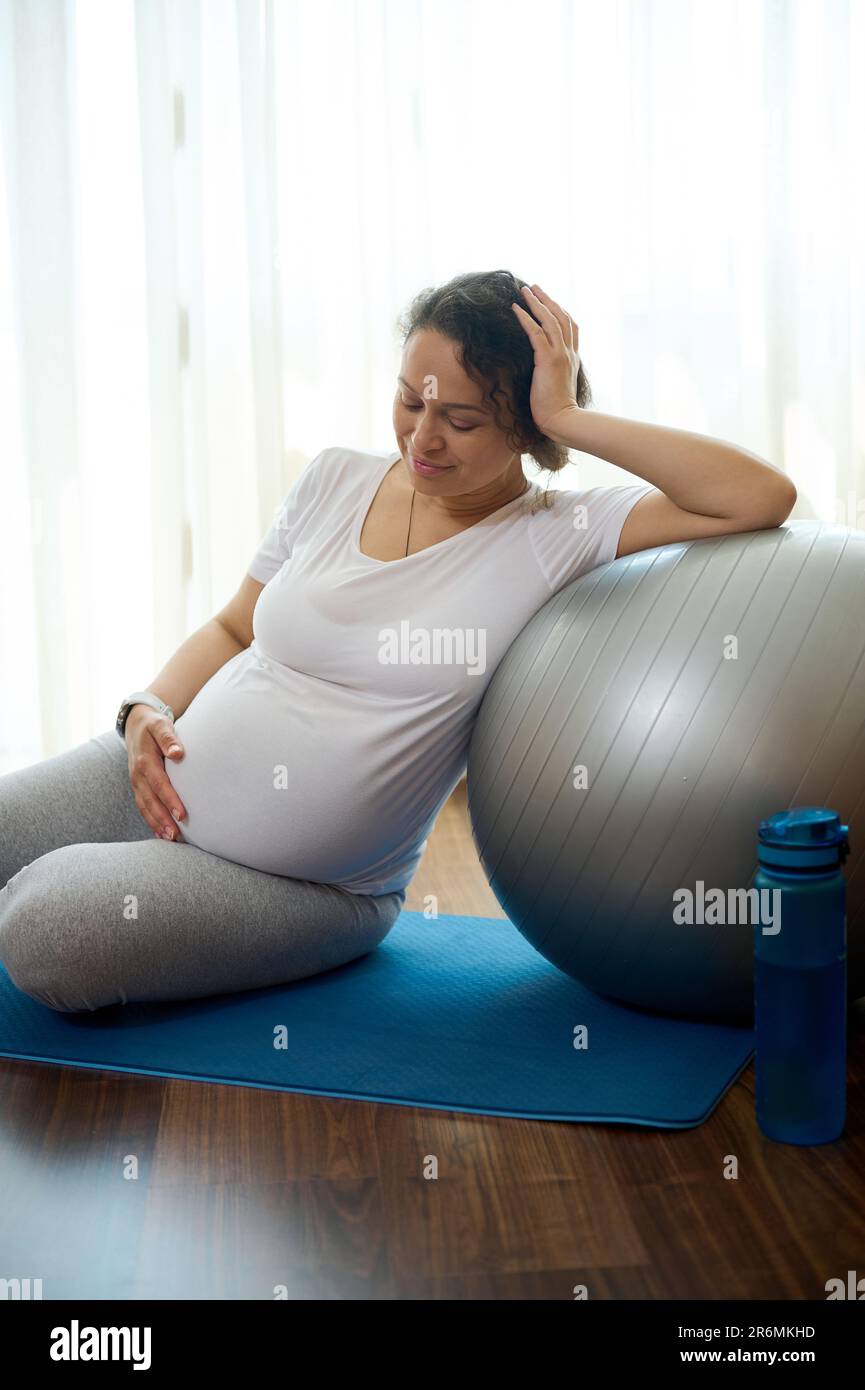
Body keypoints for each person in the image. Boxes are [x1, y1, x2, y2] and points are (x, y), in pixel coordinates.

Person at [0, 271, 796, 1012]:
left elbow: (757, 496)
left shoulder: (559, 534)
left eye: (461, 419)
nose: (423, 439)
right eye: (410, 403)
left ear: (522, 424)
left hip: (302, 886)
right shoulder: (335, 478)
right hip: (151, 773)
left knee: (47, 930)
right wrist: (145, 709)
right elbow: (234, 627)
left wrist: (571, 420)